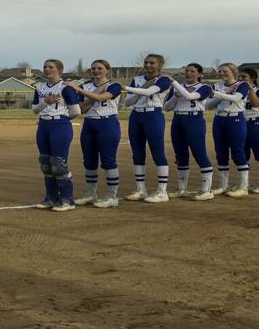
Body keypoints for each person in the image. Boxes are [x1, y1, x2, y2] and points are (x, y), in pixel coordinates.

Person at [25, 59, 84, 211]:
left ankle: (67, 200)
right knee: (46, 163)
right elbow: (34, 110)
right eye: (45, 67)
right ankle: (51, 198)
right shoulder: (39, 87)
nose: (47, 69)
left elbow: (76, 111)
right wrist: (45, 102)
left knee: (58, 163)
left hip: (60, 125)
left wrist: (62, 120)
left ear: (59, 69)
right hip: (43, 125)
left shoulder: (65, 87)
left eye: (51, 67)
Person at [118, 53, 173, 202]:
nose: (148, 65)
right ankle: (141, 189)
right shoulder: (137, 79)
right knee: (137, 154)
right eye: (146, 62)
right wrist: (140, 87)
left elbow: (149, 92)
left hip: (153, 115)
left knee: (158, 153)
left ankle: (162, 192)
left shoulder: (164, 79)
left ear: (160, 65)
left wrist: (126, 87)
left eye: (152, 63)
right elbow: (128, 102)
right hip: (136, 116)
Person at [165, 63, 218, 200]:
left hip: (194, 120)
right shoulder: (178, 88)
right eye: (186, 71)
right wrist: (175, 96)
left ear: (199, 74)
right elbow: (167, 107)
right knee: (180, 154)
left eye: (192, 71)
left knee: (199, 153)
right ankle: (182, 189)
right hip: (178, 120)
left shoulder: (205, 87)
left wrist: (174, 83)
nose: (188, 73)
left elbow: (189, 96)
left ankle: (206, 190)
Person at [76, 59, 124, 208]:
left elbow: (101, 97)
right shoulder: (86, 86)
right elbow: (81, 110)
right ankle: (91, 194)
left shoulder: (114, 85)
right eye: (93, 68)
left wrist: (77, 89)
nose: (96, 71)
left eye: (99, 68)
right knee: (89, 161)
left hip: (107, 123)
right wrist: (83, 92)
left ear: (107, 70)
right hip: (89, 123)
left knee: (108, 160)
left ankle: (112, 196)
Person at [207, 62, 252, 197]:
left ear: (233, 71)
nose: (221, 74)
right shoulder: (218, 86)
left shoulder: (242, 84)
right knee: (221, 153)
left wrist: (217, 94)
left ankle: (243, 187)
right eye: (220, 71)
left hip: (235, 119)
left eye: (225, 71)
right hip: (219, 119)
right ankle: (223, 186)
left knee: (238, 152)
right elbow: (208, 105)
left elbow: (236, 98)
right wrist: (221, 93)